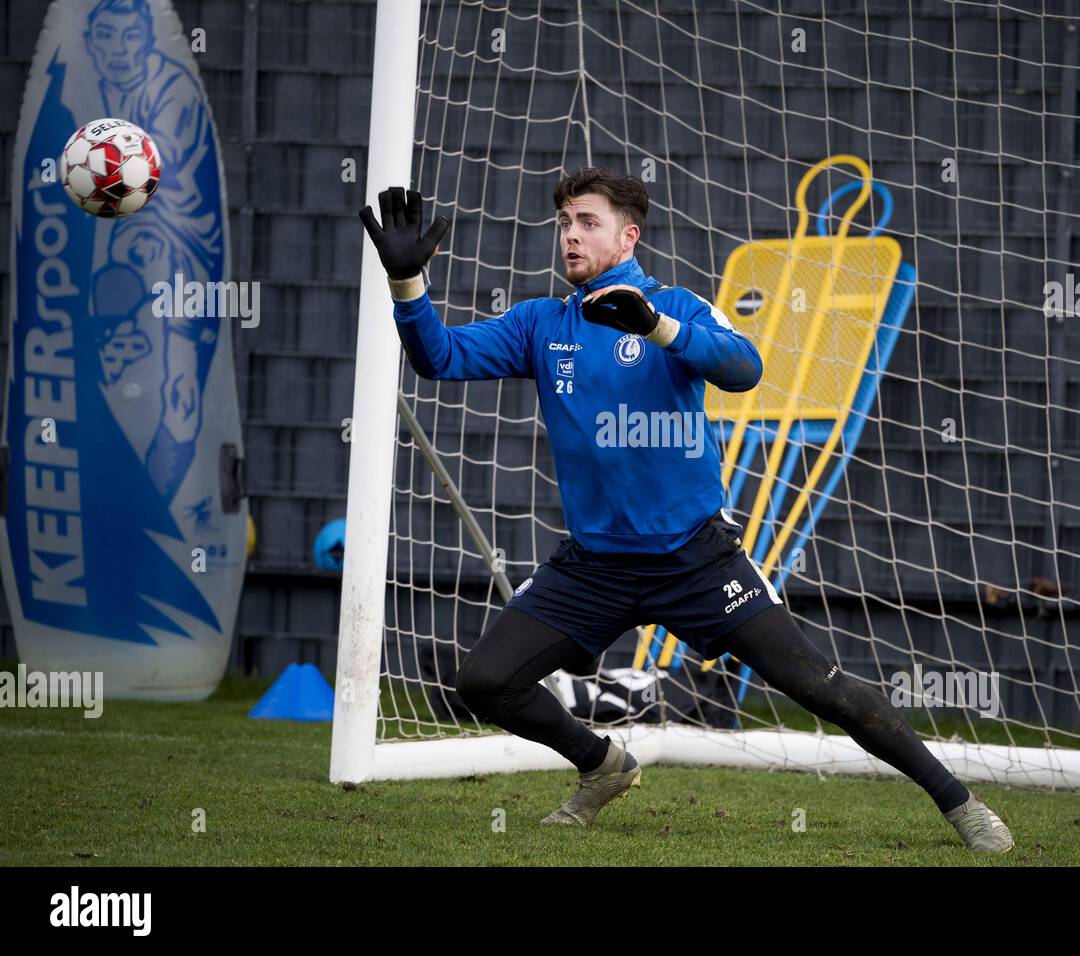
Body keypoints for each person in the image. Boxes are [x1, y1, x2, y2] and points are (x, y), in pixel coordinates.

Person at [358, 167, 1014, 852]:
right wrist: (409, 285)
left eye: (588, 223)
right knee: (485, 682)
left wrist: (661, 328)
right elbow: (439, 358)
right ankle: (603, 766)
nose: (571, 236)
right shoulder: (540, 324)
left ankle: (959, 803)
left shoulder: (677, 306)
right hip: (594, 567)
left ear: (628, 236)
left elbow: (744, 367)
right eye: (564, 224)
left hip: (696, 561)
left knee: (821, 685)